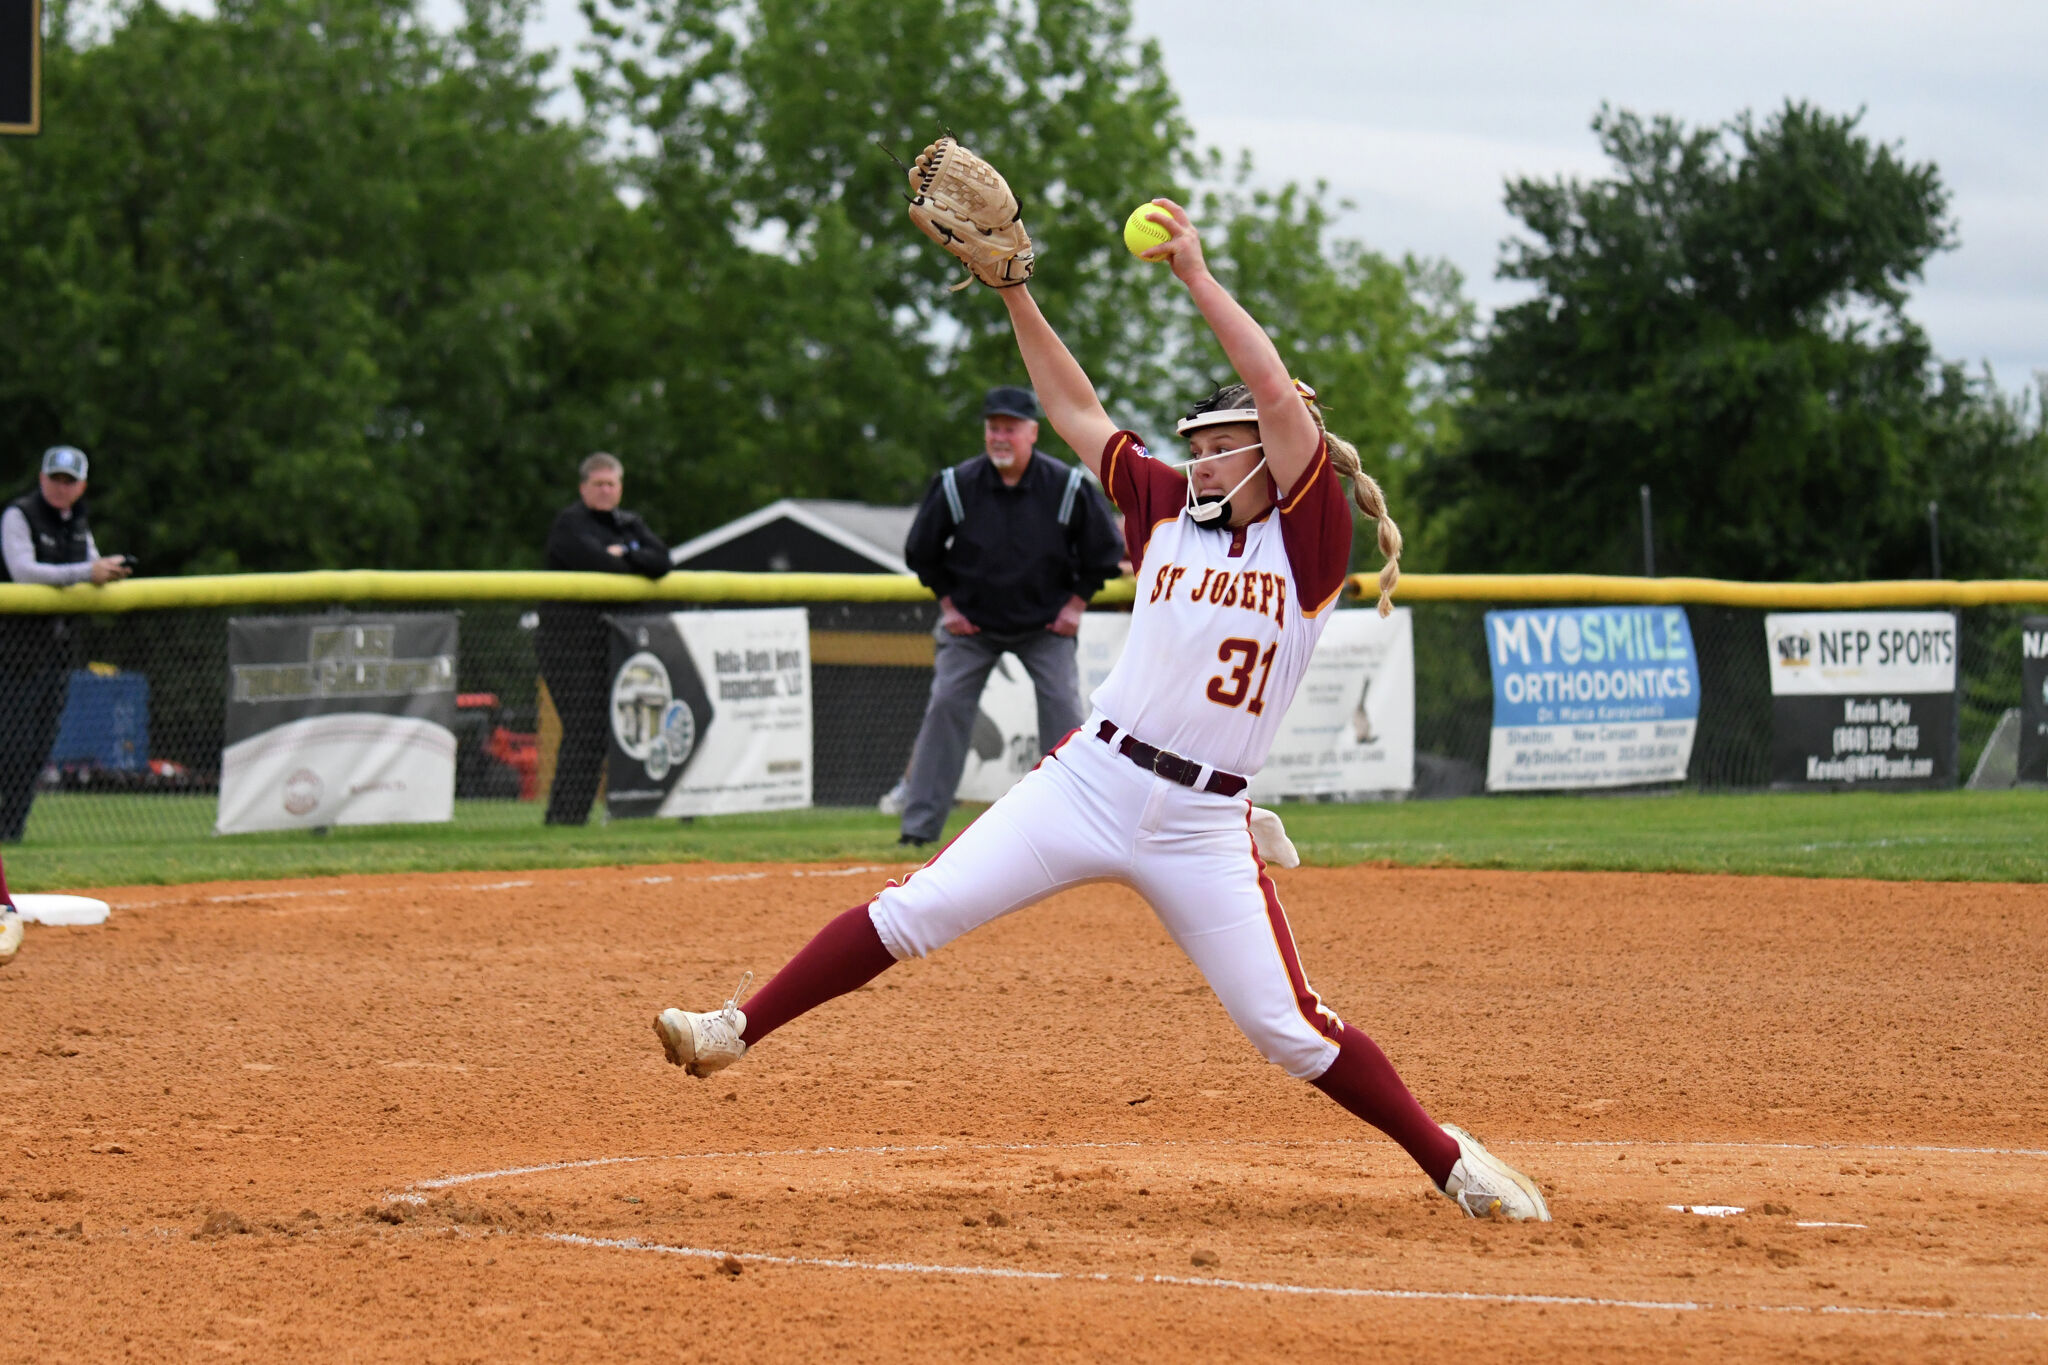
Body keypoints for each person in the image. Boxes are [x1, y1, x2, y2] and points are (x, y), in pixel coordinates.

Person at [654, 177, 1551, 1222]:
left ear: (1275, 452)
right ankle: (734, 1028)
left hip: (1203, 823)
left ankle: (1448, 1161)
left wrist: (1198, 281)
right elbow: (1074, 410)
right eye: (1200, 444)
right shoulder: (1167, 508)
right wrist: (1014, 296)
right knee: (915, 912)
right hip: (1092, 778)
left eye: (1222, 443)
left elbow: (1268, 389)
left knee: (1287, 1031)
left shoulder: (1305, 542)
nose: (1202, 456)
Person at [894, 385, 1124, 846]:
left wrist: (1076, 605)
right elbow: (920, 552)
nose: (1001, 437)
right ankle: (917, 830)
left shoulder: (1068, 485)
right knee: (945, 706)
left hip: (1045, 625)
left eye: (1011, 428)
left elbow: (1105, 552)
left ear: (1032, 433)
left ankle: (1071, 827)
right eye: (993, 428)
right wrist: (948, 605)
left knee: (1062, 711)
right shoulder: (957, 484)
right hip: (972, 626)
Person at [0, 446, 133, 843]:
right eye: (54, 478)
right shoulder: (18, 515)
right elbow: (23, 572)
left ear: (81, 486)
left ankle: (11, 834)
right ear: (41, 479)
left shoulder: (78, 522)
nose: (60, 487)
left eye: (68, 481)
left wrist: (106, 571)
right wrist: (86, 572)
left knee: (38, 749)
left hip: (55, 654)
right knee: (12, 744)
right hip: (11, 652)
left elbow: (89, 563)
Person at [537, 453, 670, 826]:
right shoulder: (570, 524)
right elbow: (599, 564)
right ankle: (564, 818)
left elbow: (662, 560)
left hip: (611, 642)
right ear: (583, 488)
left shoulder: (628, 524)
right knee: (585, 728)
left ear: (621, 488)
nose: (605, 490)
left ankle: (574, 818)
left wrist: (625, 552)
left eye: (611, 484)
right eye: (598, 484)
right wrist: (630, 560)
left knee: (607, 729)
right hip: (566, 642)